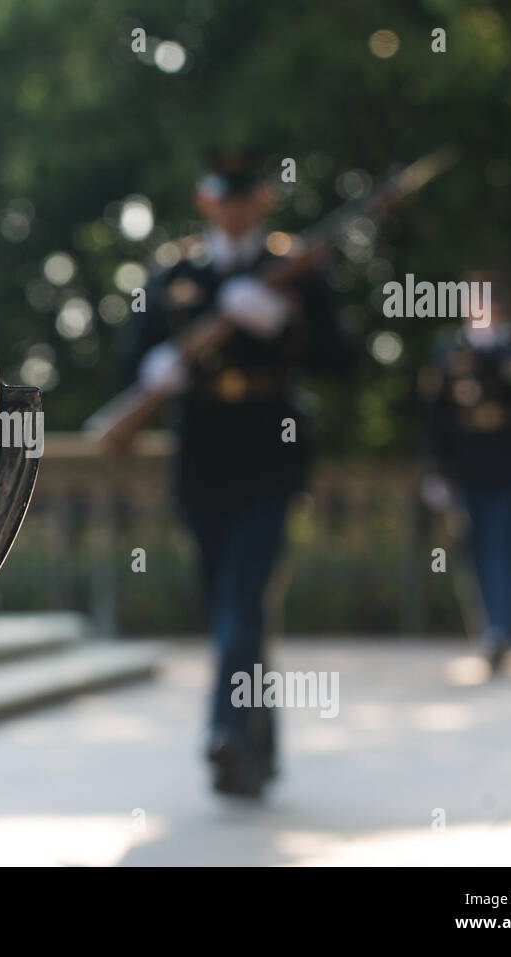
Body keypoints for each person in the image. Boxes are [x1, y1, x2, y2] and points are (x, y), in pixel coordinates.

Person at [124, 150, 353, 797]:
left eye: (245, 195)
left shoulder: (294, 270)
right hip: (201, 457)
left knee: (242, 605)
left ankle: (226, 731)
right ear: (207, 201)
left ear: (263, 201)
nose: (233, 208)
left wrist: (287, 322)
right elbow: (131, 358)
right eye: (223, 196)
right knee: (230, 610)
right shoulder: (175, 273)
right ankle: (259, 752)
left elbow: (342, 359)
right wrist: (157, 368)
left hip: (269, 456)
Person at [418, 274, 511, 675]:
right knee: (473, 551)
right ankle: (486, 628)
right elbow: (434, 417)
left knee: (503, 548)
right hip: (466, 466)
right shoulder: (449, 351)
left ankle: (500, 631)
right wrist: (435, 471)